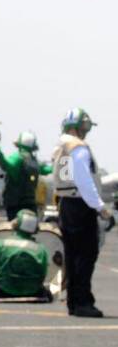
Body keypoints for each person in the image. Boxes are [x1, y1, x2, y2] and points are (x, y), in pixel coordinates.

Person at [51, 108, 110, 318]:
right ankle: (83, 302)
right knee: (86, 255)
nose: (86, 132)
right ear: (76, 127)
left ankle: (74, 302)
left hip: (67, 204)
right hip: (80, 205)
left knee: (73, 255)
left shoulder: (61, 146)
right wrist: (101, 208)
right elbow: (84, 180)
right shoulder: (78, 147)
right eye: (84, 127)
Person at [0, 210, 52, 303]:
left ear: (16, 224)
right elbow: (43, 274)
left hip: (4, 291)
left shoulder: (2, 244)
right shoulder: (40, 249)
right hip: (33, 292)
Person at [0, 130, 50, 218]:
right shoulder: (34, 161)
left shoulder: (17, 158)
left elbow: (5, 164)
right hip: (31, 203)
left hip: (15, 204)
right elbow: (47, 170)